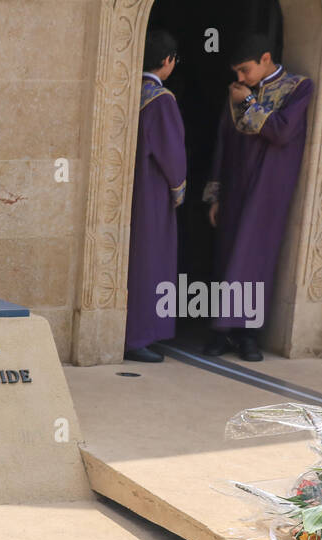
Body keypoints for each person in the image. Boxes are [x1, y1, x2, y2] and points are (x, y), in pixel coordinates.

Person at [202, 33, 313, 362]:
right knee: (226, 257)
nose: (239, 78)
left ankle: (247, 335)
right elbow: (224, 139)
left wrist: (249, 102)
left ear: (266, 58)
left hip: (270, 188)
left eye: (245, 69)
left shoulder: (298, 87)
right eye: (236, 72)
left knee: (257, 260)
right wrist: (216, 194)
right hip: (236, 185)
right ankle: (219, 332)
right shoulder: (237, 92)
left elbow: (281, 131)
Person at [125, 29, 186, 363]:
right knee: (149, 261)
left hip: (128, 189)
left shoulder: (128, 91)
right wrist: (179, 189)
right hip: (151, 190)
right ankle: (138, 335)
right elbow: (171, 153)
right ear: (168, 61)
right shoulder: (161, 99)